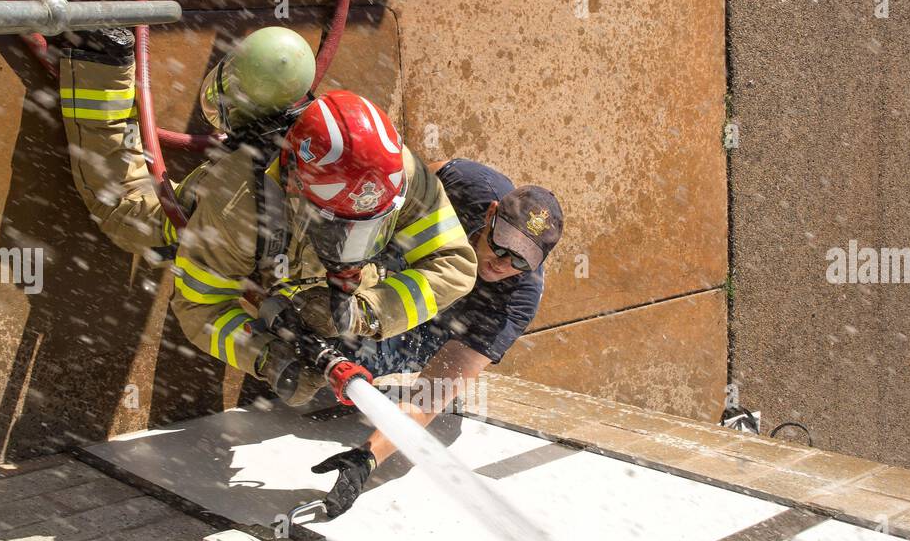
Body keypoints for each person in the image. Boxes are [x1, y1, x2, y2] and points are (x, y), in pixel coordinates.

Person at [58, 27, 478, 404]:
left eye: (366, 228)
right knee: (125, 211)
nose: (349, 247)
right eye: (337, 227)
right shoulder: (233, 203)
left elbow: (455, 264)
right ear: (294, 182)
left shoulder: (394, 170)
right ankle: (99, 63)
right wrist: (266, 357)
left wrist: (365, 312)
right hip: (234, 220)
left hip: (285, 254)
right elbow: (202, 308)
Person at [311, 160, 563, 515]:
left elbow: (435, 390)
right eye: (501, 244)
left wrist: (367, 458)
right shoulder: (469, 185)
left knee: (329, 351)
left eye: (520, 260)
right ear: (491, 213)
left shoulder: (517, 300)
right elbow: (401, 178)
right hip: (404, 262)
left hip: (435, 326)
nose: (502, 263)